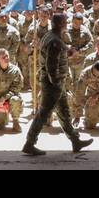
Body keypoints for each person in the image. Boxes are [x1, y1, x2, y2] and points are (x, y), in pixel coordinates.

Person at [22, 13, 94, 156]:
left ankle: (75, 140)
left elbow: (54, 54)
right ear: (61, 24)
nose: (67, 24)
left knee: (64, 112)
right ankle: (29, 143)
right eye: (65, 22)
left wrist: (67, 51)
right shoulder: (54, 40)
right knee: (44, 113)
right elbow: (51, 65)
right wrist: (55, 83)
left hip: (56, 83)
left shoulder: (49, 36)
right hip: (53, 84)